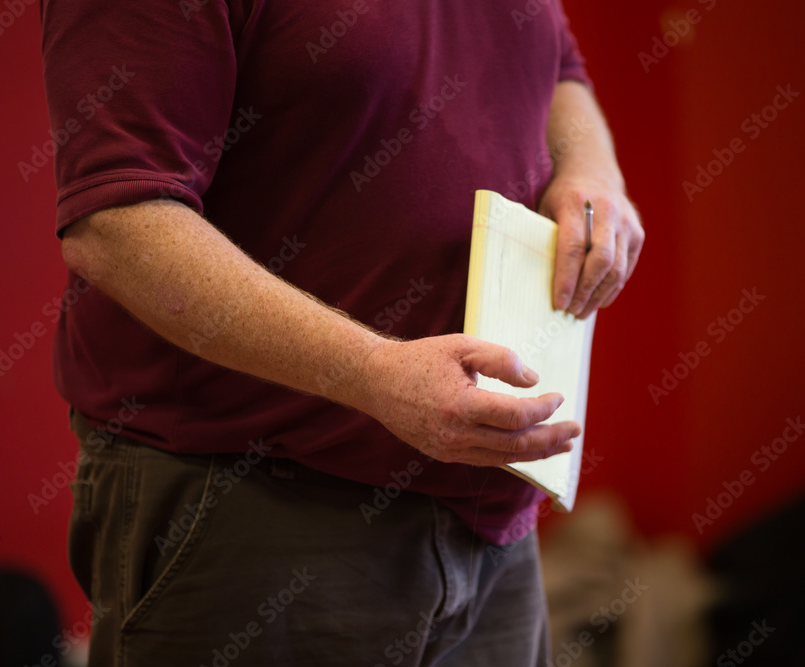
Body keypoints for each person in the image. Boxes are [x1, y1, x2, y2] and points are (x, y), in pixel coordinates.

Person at [40, 0, 644, 664]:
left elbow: (559, 67)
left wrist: (593, 171)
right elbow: (119, 224)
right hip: (248, 501)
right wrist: (371, 372)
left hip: (494, 524)